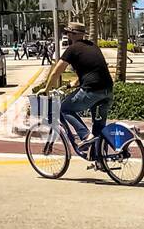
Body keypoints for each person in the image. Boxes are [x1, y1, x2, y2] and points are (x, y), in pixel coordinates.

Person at [36, 20, 114, 166]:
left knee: (64, 108)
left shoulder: (72, 49)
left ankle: (84, 135)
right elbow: (92, 68)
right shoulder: (92, 46)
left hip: (92, 90)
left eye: (67, 32)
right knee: (99, 126)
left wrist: (46, 89)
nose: (66, 34)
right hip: (108, 90)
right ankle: (99, 160)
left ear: (71, 34)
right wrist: (75, 83)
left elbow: (56, 72)